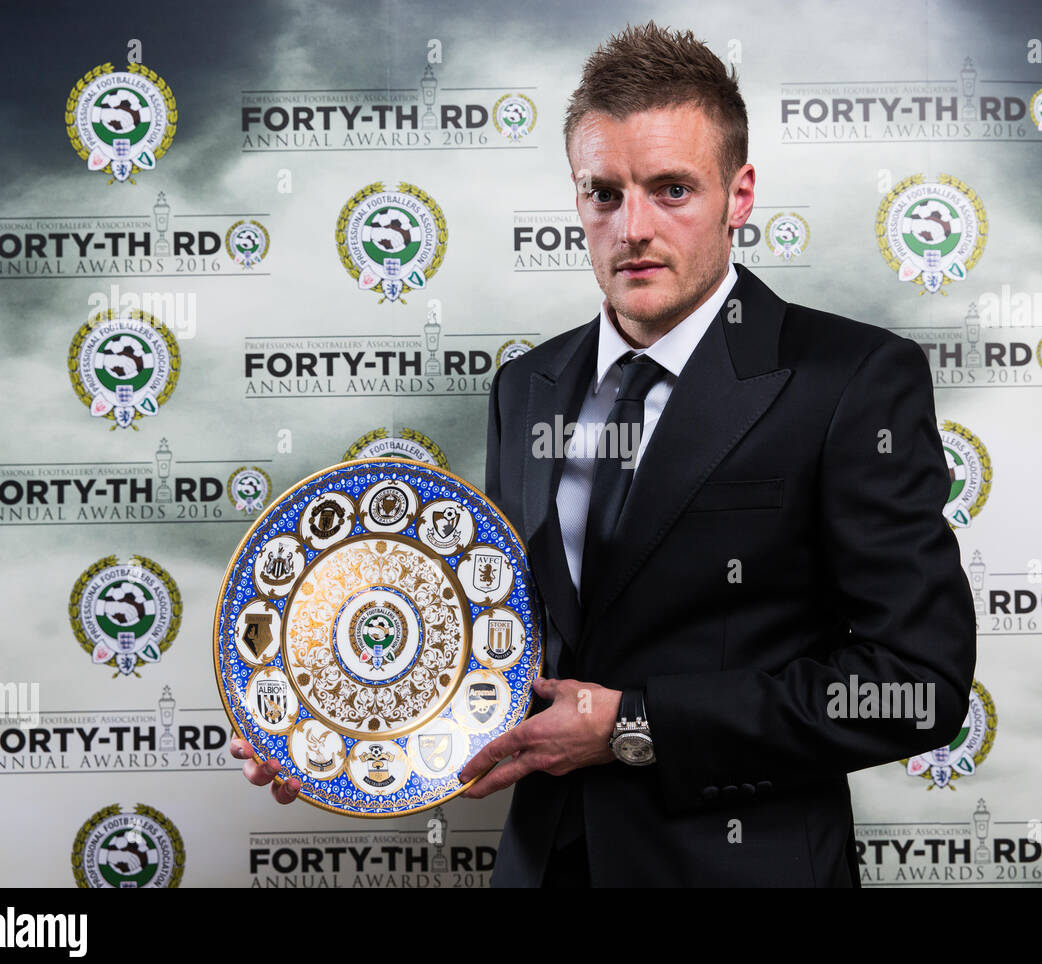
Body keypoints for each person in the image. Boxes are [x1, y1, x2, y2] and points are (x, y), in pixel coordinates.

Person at [233, 21, 976, 888]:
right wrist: (341, 733)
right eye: (605, 193)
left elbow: (916, 684)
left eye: (671, 190)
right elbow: (497, 643)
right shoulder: (527, 387)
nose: (634, 228)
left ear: (740, 195)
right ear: (577, 196)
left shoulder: (849, 380)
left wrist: (637, 724)